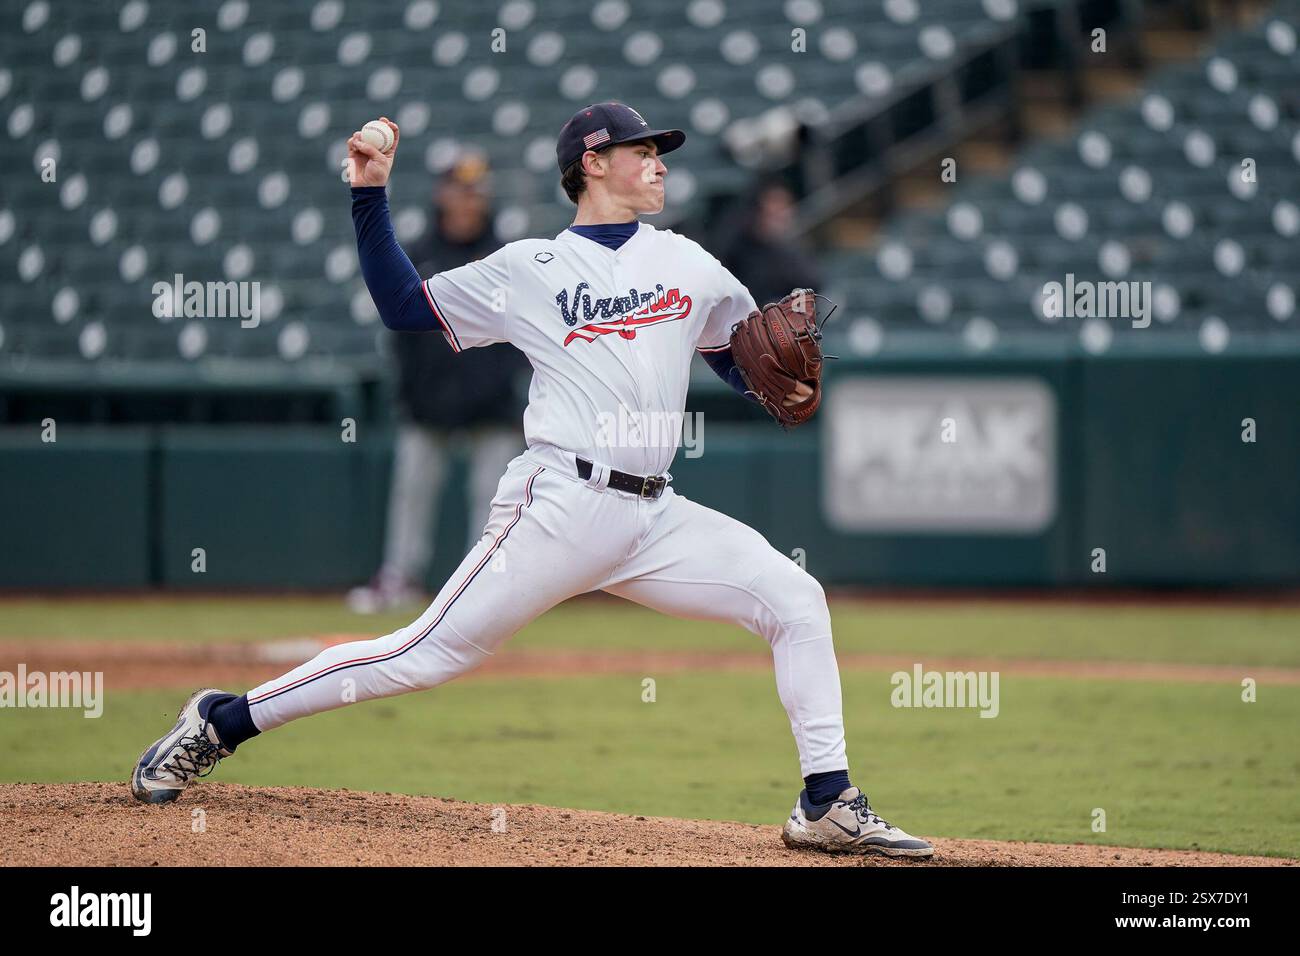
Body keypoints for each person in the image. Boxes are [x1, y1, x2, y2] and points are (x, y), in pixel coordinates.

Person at [130, 102, 932, 858]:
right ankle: (222, 721)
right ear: (592, 162)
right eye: (643, 152)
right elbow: (405, 306)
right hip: (559, 504)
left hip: (656, 518)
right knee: (423, 655)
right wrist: (368, 194)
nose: (658, 166)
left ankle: (826, 800)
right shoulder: (530, 268)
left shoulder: (686, 259)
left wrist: (763, 383)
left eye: (659, 155)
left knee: (795, 599)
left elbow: (733, 351)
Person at [347, 153, 527, 613]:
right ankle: (399, 578)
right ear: (441, 194)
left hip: (492, 406)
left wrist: (501, 389)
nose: (468, 200)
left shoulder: (504, 257)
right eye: (459, 189)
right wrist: (411, 395)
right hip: (428, 405)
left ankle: (480, 588)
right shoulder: (419, 252)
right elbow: (401, 338)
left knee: (493, 502)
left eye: (475, 191)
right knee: (411, 494)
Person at [719, 180, 823, 309]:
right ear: (758, 212)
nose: (779, 217)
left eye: (783, 210)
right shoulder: (737, 249)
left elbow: (812, 286)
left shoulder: (795, 252)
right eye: (772, 213)